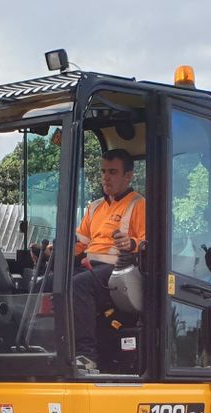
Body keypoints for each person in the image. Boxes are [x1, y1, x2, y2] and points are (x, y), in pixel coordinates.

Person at [66, 148, 146, 375]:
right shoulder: (94, 207)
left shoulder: (138, 204)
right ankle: (53, 348)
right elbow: (80, 242)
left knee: (79, 285)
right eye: (103, 172)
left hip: (118, 270)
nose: (105, 177)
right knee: (52, 281)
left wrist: (131, 242)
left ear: (128, 176)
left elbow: (149, 241)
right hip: (90, 268)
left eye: (112, 172)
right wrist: (55, 251)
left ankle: (86, 356)